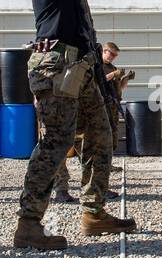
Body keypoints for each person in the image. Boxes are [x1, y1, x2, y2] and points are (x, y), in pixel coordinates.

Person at [14, 0, 162, 249]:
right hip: (58, 64)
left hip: (79, 65)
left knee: (101, 134)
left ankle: (93, 212)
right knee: (56, 142)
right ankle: (29, 224)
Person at [51, 42, 132, 202]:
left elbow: (99, 88)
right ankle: (61, 190)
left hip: (85, 116)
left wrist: (123, 79)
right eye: (110, 53)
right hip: (65, 114)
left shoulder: (92, 66)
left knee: (91, 155)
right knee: (59, 153)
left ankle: (94, 189)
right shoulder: (65, 66)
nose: (111, 57)